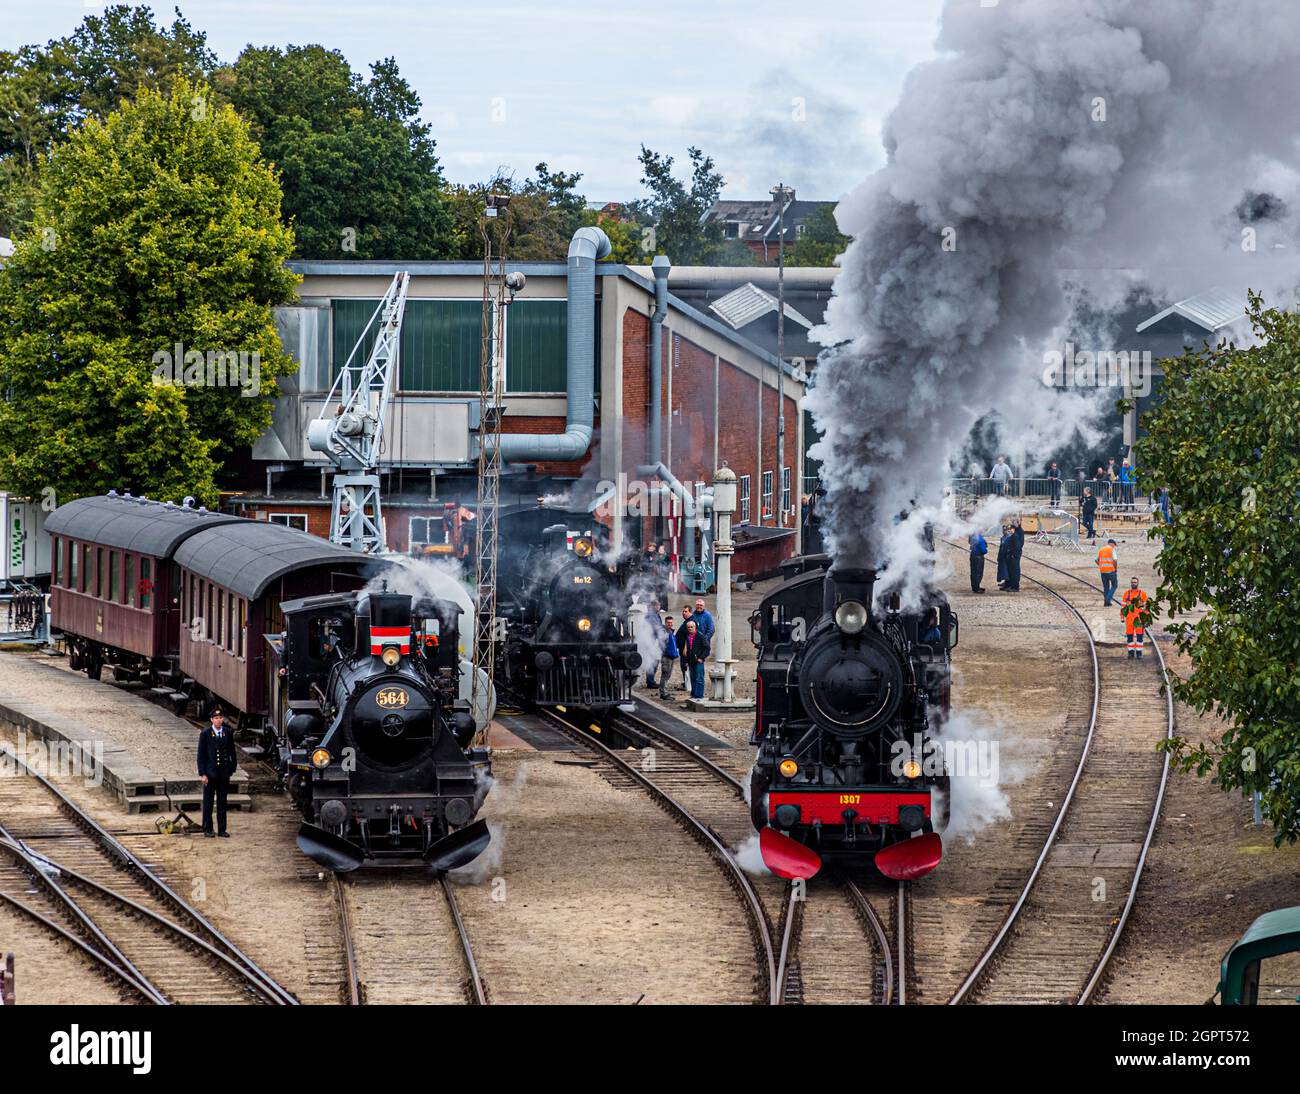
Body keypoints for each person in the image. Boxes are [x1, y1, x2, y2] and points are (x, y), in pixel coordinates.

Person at [197, 706, 238, 838]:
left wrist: (232, 769)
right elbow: (201, 755)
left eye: (220, 718)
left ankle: (222, 829)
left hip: (223, 774)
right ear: (211, 720)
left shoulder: (227, 732)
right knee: (208, 803)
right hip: (210, 774)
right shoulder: (205, 734)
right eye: (216, 718)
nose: (218, 720)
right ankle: (208, 829)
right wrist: (202, 773)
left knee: (222, 802)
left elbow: (232, 752)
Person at [1120, 577, 1150, 659]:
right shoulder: (1126, 593)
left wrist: (1147, 619)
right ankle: (1131, 653)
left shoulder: (1142, 594)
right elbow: (1123, 607)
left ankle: (1139, 653)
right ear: (1131, 583)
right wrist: (1122, 618)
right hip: (1129, 619)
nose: (1134, 583)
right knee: (1129, 637)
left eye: (1135, 582)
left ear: (1138, 583)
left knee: (1140, 637)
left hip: (1139, 619)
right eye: (1132, 582)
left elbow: (1147, 607)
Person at [682, 619, 710, 699]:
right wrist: (687, 661)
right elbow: (688, 650)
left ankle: (699, 696)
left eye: (691, 627)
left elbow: (707, 648)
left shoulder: (700, 636)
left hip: (698, 661)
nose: (690, 628)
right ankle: (694, 695)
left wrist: (701, 658)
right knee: (693, 678)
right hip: (691, 661)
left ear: (695, 627)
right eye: (688, 627)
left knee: (699, 679)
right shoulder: (688, 636)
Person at [658, 614, 679, 699]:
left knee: (667, 675)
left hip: (671, 656)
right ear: (665, 623)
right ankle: (663, 693)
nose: (670, 624)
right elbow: (661, 644)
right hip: (666, 657)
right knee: (665, 675)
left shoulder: (670, 631)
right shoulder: (664, 632)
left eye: (671, 622)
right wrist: (666, 651)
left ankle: (664, 692)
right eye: (668, 623)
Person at [676, 605, 694, 690]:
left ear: (690, 612)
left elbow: (689, 636)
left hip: (685, 649)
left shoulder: (691, 622)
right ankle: (686, 682)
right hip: (682, 648)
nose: (683, 613)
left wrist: (685, 648)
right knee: (683, 667)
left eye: (686, 611)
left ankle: (688, 684)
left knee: (685, 666)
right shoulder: (686, 621)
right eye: (683, 611)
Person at [1096, 538, 1118, 606]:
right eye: (1114, 545)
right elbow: (1115, 560)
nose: (1114, 546)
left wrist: (1101, 566)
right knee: (1114, 585)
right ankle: (1108, 599)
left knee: (1106, 587)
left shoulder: (1101, 550)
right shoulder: (1112, 550)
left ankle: (1106, 603)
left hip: (1103, 571)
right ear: (1112, 544)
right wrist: (1115, 569)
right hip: (1111, 570)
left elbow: (1096, 560)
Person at [1003, 519, 1024, 592]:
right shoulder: (1014, 535)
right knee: (1011, 571)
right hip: (1012, 555)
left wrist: (1014, 555)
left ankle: (1015, 587)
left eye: (1011, 529)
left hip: (1014, 556)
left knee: (1014, 571)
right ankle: (1011, 585)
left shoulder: (1016, 535)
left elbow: (1018, 546)